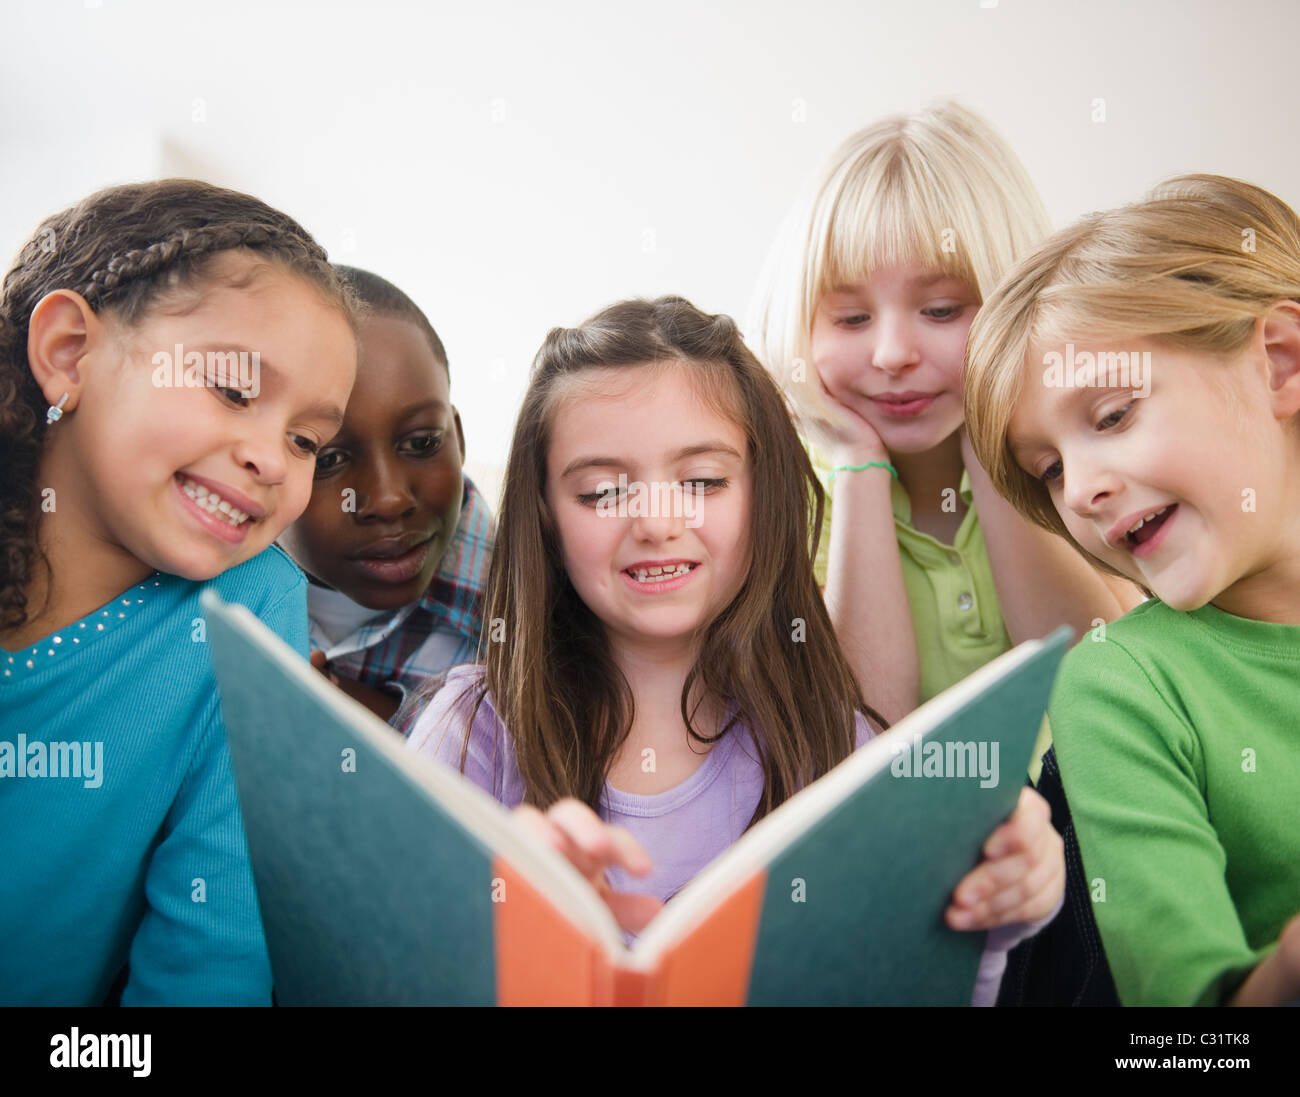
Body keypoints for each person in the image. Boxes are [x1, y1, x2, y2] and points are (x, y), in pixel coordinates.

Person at [408, 295, 1064, 1005]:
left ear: (762, 493)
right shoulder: (473, 731)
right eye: (601, 491)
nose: (657, 523)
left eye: (703, 481)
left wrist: (993, 914)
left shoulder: (834, 746)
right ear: (545, 512)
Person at [0, 179, 358, 1004]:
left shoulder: (253, 602)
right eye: (233, 389)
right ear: (67, 352)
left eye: (307, 440)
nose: (271, 457)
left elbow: (214, 959)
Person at [963, 173, 1300, 1006]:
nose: (1078, 489)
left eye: (1111, 415)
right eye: (1049, 470)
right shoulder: (1120, 683)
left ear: (1280, 363)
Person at [749, 101, 1137, 733]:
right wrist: (859, 466)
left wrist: (990, 441)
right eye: (851, 319)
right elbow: (869, 725)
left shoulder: (1075, 464)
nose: (892, 354)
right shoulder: (789, 498)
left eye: (940, 310)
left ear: (1011, 302)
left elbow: (1092, 688)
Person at [278, 266, 492, 733]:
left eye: (421, 443)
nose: (389, 499)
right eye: (329, 459)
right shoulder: (201, 599)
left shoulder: (539, 617)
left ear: (457, 436)